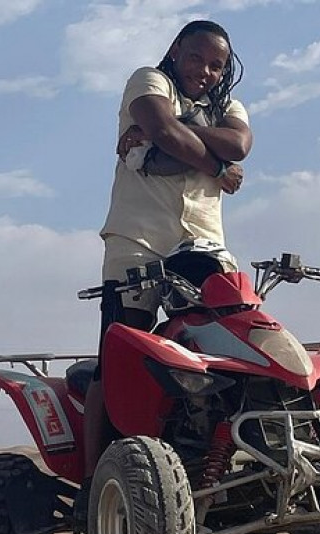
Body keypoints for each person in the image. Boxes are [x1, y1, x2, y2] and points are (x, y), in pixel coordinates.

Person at [82, 20, 253, 488]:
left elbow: (238, 142)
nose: (206, 71)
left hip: (204, 245)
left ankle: (214, 470)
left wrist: (169, 138)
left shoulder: (229, 104)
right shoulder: (149, 81)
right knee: (119, 353)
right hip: (138, 242)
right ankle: (94, 482)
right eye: (197, 57)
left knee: (225, 353)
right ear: (177, 50)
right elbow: (164, 127)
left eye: (217, 65)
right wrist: (219, 165)